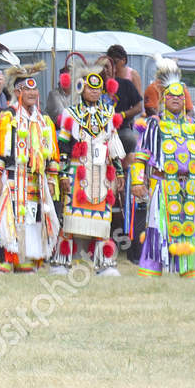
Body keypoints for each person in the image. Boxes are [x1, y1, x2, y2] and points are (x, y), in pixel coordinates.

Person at [127, 65, 195, 279]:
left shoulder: (194, 128)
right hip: (163, 184)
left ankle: (188, 267)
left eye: (179, 96)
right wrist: (138, 182)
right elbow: (141, 156)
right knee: (158, 227)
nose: (176, 99)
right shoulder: (155, 126)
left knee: (190, 227)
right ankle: (151, 266)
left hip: (191, 186)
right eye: (171, 96)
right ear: (163, 99)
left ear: (184, 100)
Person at [0, 59, 61, 273]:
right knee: (6, 219)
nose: (33, 94)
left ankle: (26, 258)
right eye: (27, 90)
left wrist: (53, 180)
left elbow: (51, 154)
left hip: (36, 180)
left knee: (33, 217)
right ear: (17, 92)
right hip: (11, 178)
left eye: (35, 90)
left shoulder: (44, 120)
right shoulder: (7, 117)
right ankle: (2, 260)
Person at [54, 59, 125, 276]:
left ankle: (104, 263)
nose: (94, 93)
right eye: (89, 89)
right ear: (81, 88)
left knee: (103, 221)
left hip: (102, 172)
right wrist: (63, 172)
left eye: (97, 89)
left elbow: (113, 145)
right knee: (71, 219)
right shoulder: (70, 114)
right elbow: (63, 145)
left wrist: (119, 172)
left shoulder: (108, 115)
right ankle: (62, 262)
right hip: (77, 170)